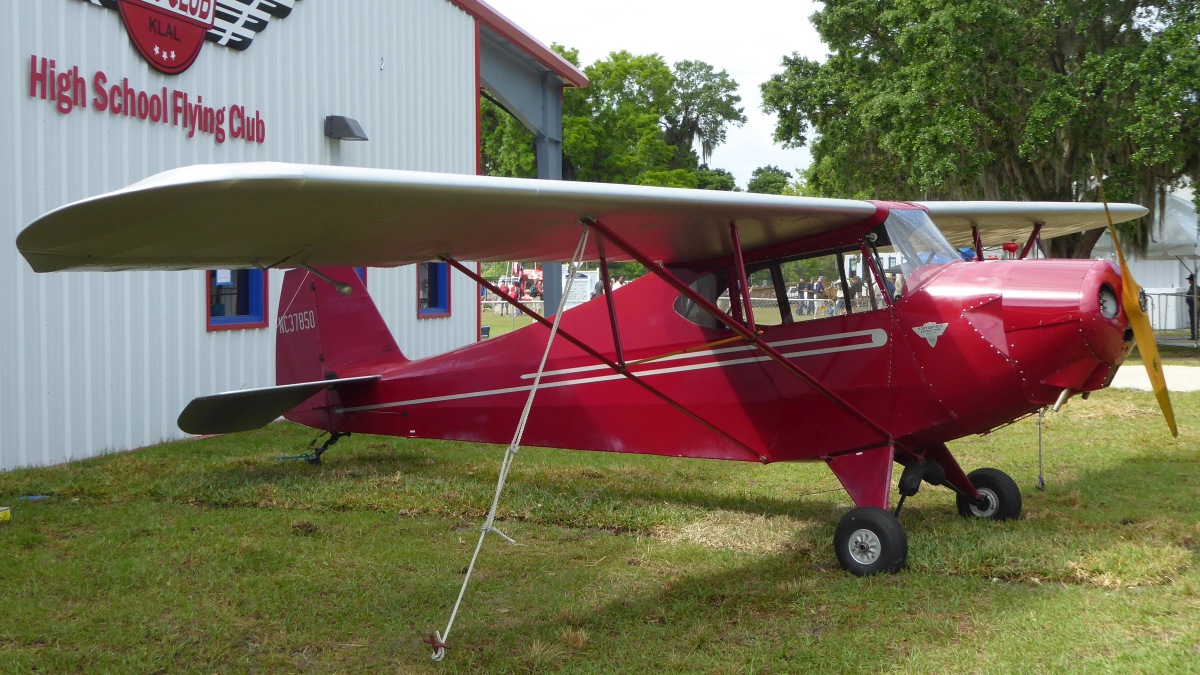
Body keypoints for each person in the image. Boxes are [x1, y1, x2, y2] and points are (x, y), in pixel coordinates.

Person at [1187, 273, 1197, 341]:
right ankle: (1194, 335)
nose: (1188, 281)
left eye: (1189, 279)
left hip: (1194, 307)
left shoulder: (1194, 288)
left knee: (1194, 322)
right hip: (1192, 307)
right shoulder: (1192, 287)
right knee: (1193, 322)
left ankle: (1194, 335)